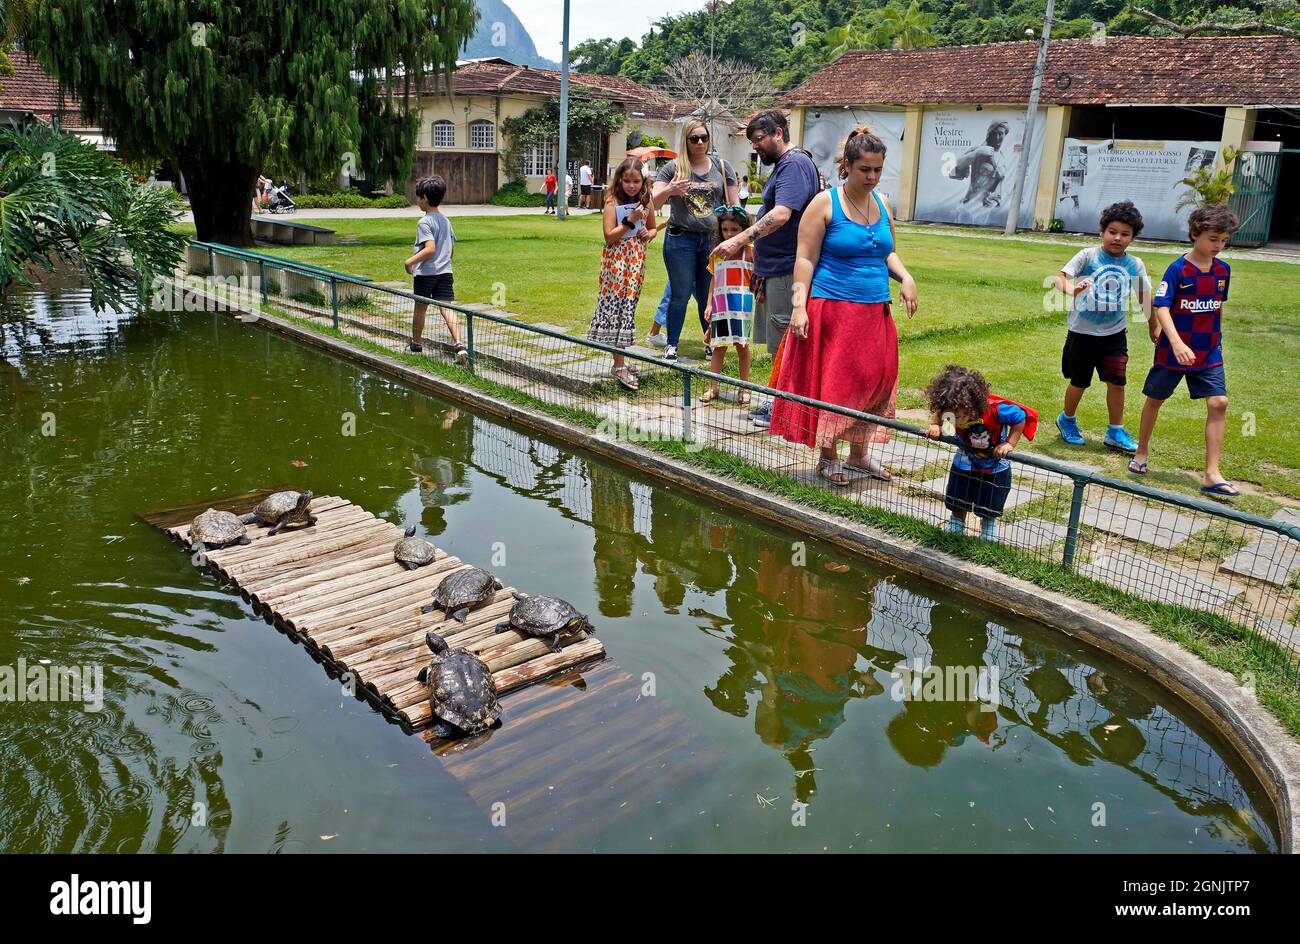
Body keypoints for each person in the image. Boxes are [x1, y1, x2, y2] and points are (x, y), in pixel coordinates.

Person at [767, 127, 918, 484]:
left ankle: (860, 455)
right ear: (846, 165)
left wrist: (906, 278)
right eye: (865, 169)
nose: (872, 176)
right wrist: (799, 307)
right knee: (835, 384)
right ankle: (828, 456)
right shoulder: (824, 203)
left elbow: (888, 251)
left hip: (874, 309)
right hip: (832, 308)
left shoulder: (882, 203)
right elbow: (804, 259)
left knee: (873, 380)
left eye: (878, 169)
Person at [714, 109, 820, 428]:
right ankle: (781, 404)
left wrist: (739, 240)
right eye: (751, 141)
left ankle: (789, 411)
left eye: (758, 139)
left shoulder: (794, 164)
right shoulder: (786, 166)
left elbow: (782, 215)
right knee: (781, 345)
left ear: (778, 132)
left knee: (786, 345)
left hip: (789, 270)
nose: (755, 147)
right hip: (775, 269)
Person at [1130, 204, 1241, 497]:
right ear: (1195, 234)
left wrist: (1218, 340)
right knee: (1155, 399)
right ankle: (1141, 452)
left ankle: (1211, 473)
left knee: (1219, 403)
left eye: (1223, 240)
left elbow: (1217, 308)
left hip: (1208, 353)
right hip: (1173, 351)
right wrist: (1177, 343)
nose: (1218, 245)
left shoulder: (1223, 271)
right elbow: (1161, 307)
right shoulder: (1178, 269)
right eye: (1213, 238)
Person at [1054, 200, 1152, 453]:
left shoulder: (1134, 264)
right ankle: (1067, 419)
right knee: (1080, 381)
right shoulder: (1088, 256)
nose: (1117, 238)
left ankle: (1115, 431)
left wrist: (1154, 326)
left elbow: (1144, 297)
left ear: (1133, 238)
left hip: (1114, 334)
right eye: (1113, 232)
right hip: (1082, 334)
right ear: (1102, 232)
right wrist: (1072, 290)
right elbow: (1060, 278)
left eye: (1125, 234)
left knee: (1117, 382)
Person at [652, 118, 739, 361]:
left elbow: (735, 205)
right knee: (679, 293)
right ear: (686, 141)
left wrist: (737, 237)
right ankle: (672, 344)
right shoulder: (672, 168)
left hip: (711, 241)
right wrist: (670, 190)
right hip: (681, 239)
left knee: (706, 295)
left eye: (704, 137)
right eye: (694, 138)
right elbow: (652, 203)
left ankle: (710, 341)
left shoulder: (722, 167)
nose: (700, 142)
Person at [924, 365, 1035, 542]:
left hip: (995, 463)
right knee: (958, 492)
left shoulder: (995, 410)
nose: (952, 420)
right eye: (948, 415)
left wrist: (1009, 443)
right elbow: (941, 411)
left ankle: (988, 525)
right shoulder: (950, 408)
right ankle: (957, 521)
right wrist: (936, 425)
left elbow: (1020, 417)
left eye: (957, 417)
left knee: (991, 495)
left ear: (971, 409)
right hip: (965, 459)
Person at [587, 158, 658, 391]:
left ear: (643, 181)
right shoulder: (611, 201)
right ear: (620, 180)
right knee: (618, 308)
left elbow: (653, 228)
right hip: (616, 262)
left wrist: (649, 233)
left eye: (636, 181)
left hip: (636, 261)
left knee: (629, 307)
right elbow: (609, 236)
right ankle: (618, 365)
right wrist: (630, 221)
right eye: (627, 181)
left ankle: (621, 359)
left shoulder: (645, 201)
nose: (631, 185)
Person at [403, 175, 467, 363]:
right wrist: (446, 262)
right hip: (445, 272)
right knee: (447, 308)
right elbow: (451, 246)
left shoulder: (424, 222)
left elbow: (430, 249)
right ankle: (459, 345)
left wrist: (410, 262)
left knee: (420, 309)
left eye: (418, 198)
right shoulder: (445, 220)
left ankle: (415, 345)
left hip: (426, 273)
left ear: (424, 198)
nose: (417, 201)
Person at [700, 206, 754, 404]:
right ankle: (713, 387)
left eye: (734, 230)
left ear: (744, 230)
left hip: (742, 306)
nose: (729, 234)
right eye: (725, 230)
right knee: (719, 347)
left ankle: (744, 388)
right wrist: (709, 304)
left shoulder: (750, 252)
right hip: (721, 305)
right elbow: (714, 280)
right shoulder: (718, 254)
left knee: (742, 346)